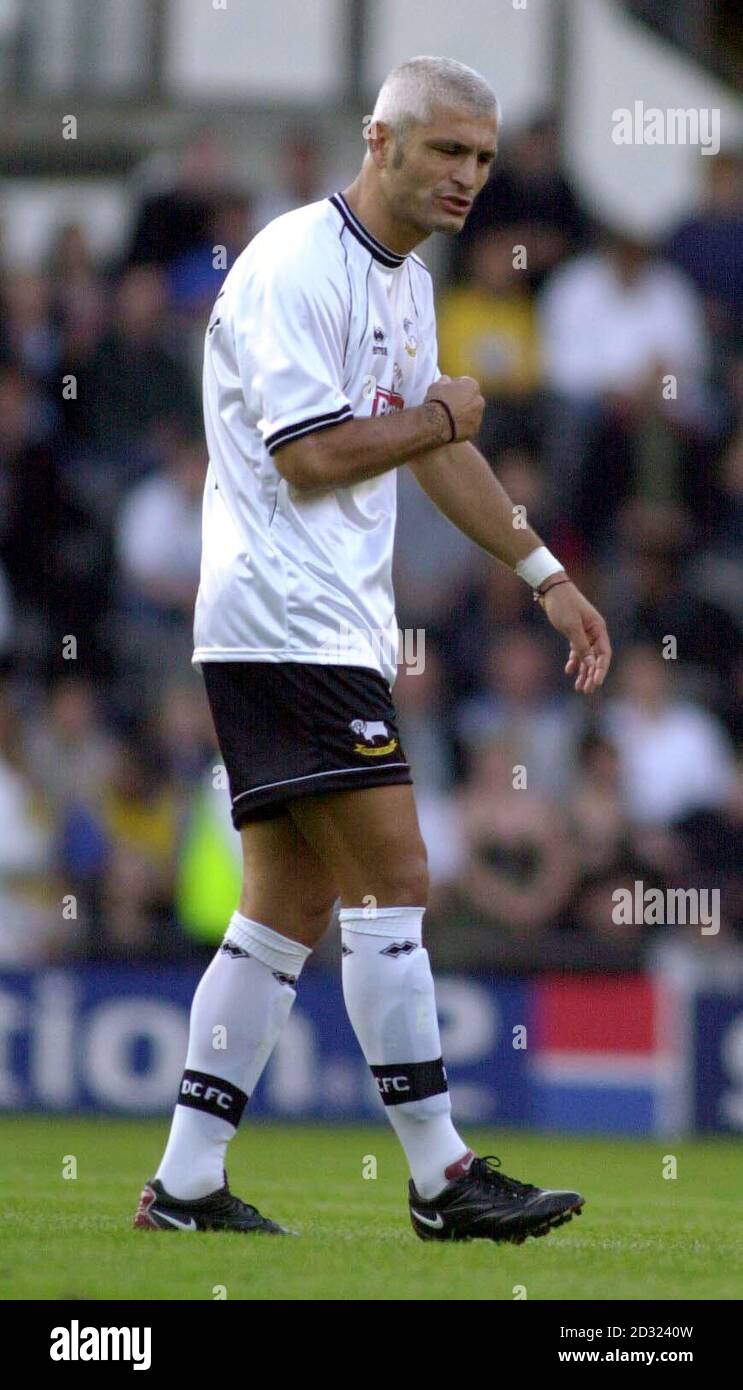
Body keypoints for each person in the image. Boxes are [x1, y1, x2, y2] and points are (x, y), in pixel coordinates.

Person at [134, 56, 611, 1245]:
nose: (467, 177)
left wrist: (543, 573)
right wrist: (440, 412)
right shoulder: (296, 261)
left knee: (279, 917)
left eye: (483, 158)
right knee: (394, 881)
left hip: (318, 621)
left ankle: (185, 1184)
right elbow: (312, 454)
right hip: (284, 619)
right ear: (378, 139)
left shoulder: (400, 280)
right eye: (445, 150)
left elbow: (430, 448)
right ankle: (441, 1179)